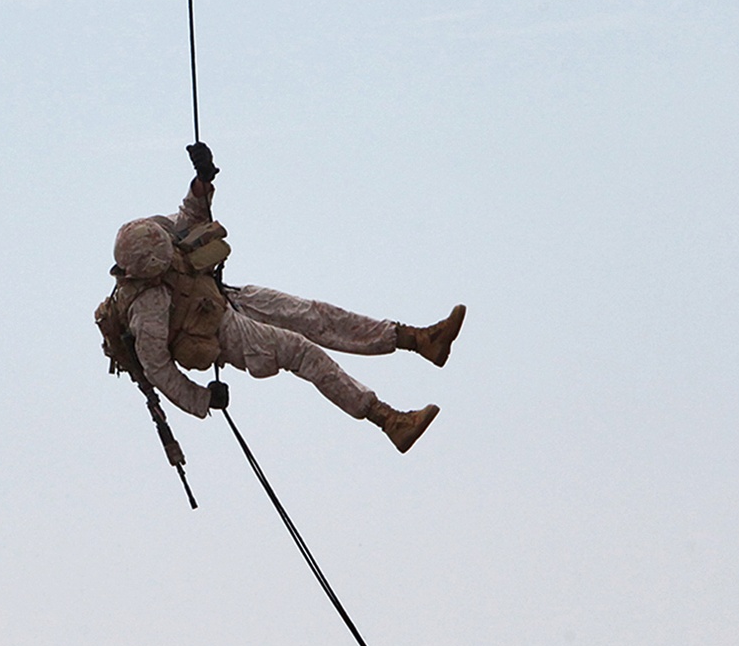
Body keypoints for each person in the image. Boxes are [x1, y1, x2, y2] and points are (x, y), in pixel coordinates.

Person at [99, 142, 465, 453]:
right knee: (302, 352)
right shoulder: (146, 310)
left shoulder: (154, 233)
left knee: (313, 314)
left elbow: (189, 217)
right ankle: (389, 420)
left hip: (225, 297)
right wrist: (202, 398)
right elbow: (158, 369)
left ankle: (419, 340)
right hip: (222, 333)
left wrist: (202, 181)